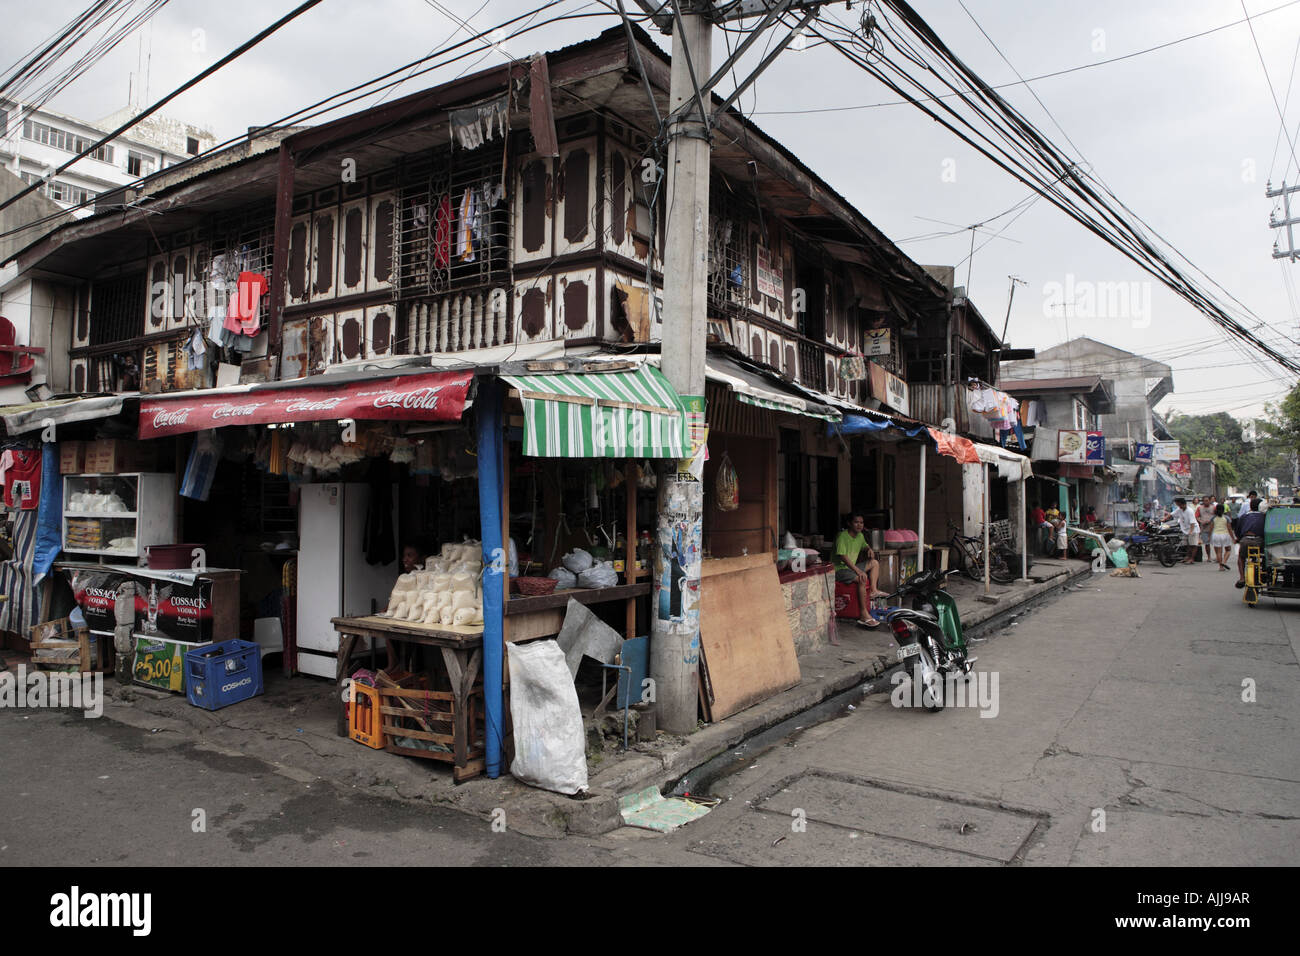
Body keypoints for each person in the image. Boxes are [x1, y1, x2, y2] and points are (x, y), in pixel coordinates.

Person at [835, 513, 886, 628]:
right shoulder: (842, 536)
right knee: (862, 578)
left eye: (861, 523)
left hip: (851, 568)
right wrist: (858, 571)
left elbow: (864, 545)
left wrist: (869, 549)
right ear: (849, 523)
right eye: (856, 522)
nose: (859, 525)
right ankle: (863, 614)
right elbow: (843, 556)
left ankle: (873, 590)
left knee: (874, 563)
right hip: (839, 570)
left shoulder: (860, 536)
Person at [1234, 498, 1266, 588]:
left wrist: (1238, 538)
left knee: (1241, 557)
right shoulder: (1264, 515)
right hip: (1259, 541)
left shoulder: (1244, 516)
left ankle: (1241, 578)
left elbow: (1238, 530)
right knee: (1266, 554)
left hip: (1245, 540)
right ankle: (1264, 571)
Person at [1174, 497, 1199, 565]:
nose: (1178, 506)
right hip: (1186, 529)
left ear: (1183, 504)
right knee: (1187, 545)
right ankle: (1187, 557)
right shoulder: (1180, 509)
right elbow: (1172, 514)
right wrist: (1164, 518)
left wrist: (1191, 531)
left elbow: (1192, 522)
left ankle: (1192, 559)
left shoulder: (1190, 511)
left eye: (1179, 505)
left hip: (1193, 529)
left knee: (1193, 545)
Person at [1209, 503, 1234, 571]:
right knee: (1228, 550)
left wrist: (1209, 536)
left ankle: (1221, 567)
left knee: (1219, 552)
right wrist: (1233, 538)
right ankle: (1224, 562)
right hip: (1225, 535)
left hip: (1216, 535)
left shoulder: (1213, 518)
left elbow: (1211, 528)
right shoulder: (1226, 518)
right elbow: (1229, 528)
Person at [1194, 495, 1215, 563]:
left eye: (1207, 500)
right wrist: (1201, 521)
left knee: (1216, 543)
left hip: (1213, 527)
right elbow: (1196, 517)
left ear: (1209, 500)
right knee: (1207, 543)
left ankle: (1218, 556)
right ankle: (1209, 557)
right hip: (1204, 528)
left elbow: (1217, 516)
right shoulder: (1199, 508)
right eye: (1204, 501)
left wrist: (1211, 521)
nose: (1206, 502)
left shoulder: (1213, 508)